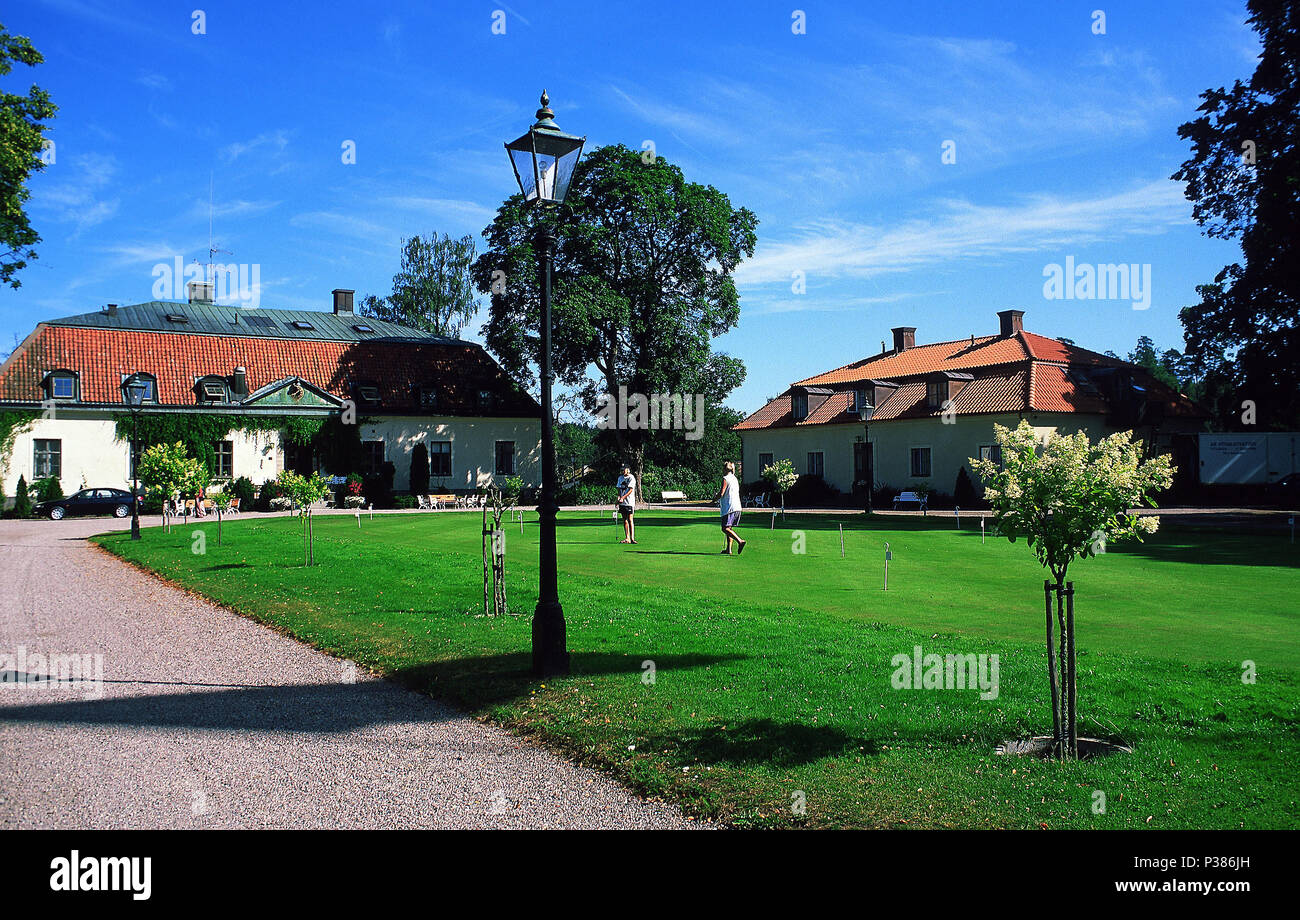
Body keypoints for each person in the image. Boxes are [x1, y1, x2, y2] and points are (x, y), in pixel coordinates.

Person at [715, 461, 745, 555]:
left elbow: (722, 493)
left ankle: (740, 541)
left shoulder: (725, 478)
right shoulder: (734, 478)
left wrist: (713, 500)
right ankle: (729, 550)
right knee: (729, 528)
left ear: (724, 469)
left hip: (729, 507)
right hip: (737, 506)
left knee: (725, 528)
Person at [616, 465, 637, 544]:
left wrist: (623, 497)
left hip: (629, 502)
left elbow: (630, 490)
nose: (623, 471)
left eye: (624, 469)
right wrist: (618, 498)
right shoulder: (620, 478)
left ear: (628, 470)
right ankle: (627, 538)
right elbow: (619, 489)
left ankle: (632, 538)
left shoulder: (631, 478)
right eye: (622, 469)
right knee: (624, 520)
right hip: (622, 503)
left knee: (630, 519)